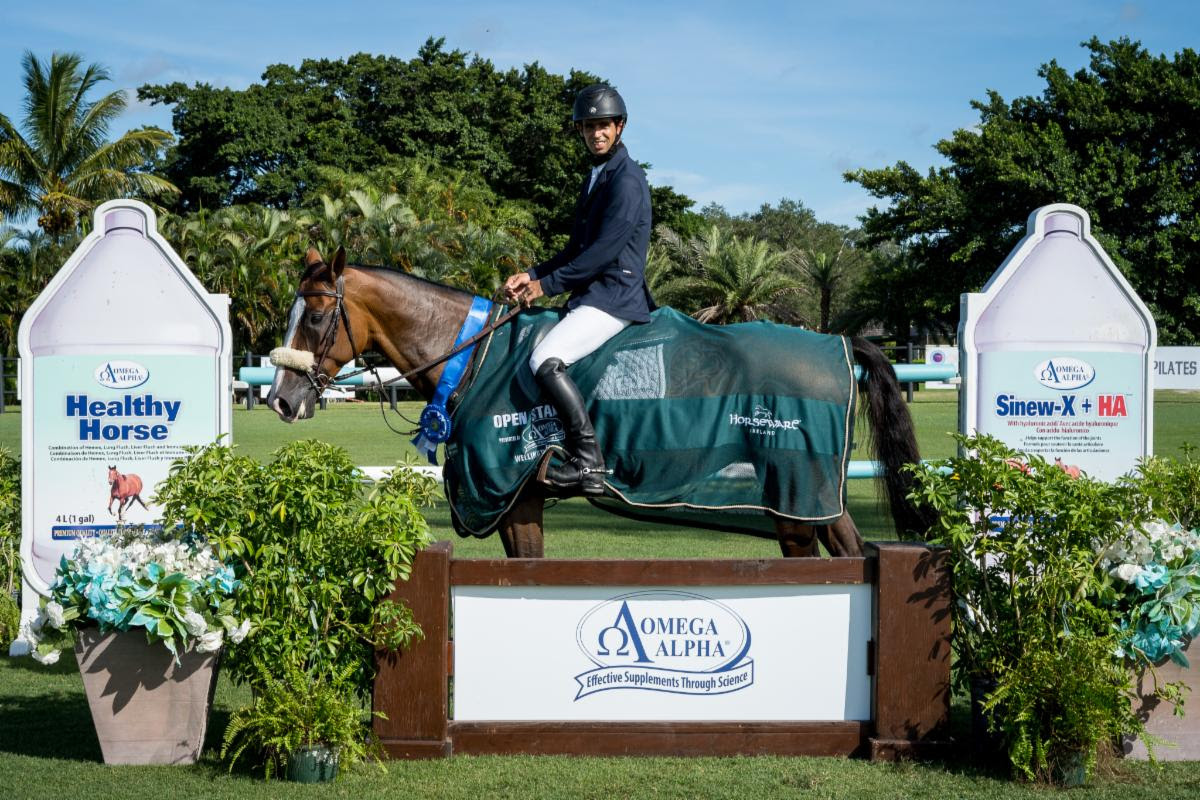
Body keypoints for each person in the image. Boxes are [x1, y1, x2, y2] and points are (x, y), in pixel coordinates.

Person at [503, 83, 654, 496]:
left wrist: (545, 286)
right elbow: (575, 249)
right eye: (588, 127)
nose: (595, 134)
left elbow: (604, 252)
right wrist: (531, 273)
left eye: (602, 125)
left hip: (614, 296)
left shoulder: (627, 180)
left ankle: (589, 463)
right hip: (593, 294)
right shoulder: (598, 176)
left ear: (619, 127)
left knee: (545, 358)